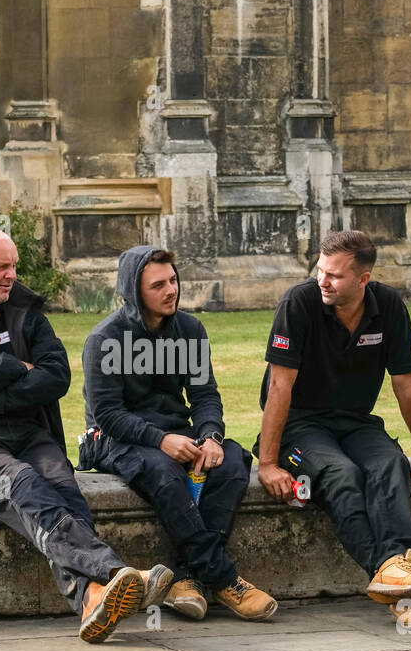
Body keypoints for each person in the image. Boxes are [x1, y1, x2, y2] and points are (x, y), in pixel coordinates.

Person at [0, 226, 174, 643]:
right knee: (23, 482)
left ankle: (91, 598)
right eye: (1, 267)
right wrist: (17, 368)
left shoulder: (24, 309)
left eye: (13, 266)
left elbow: (57, 376)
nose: (11, 275)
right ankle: (114, 571)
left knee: (64, 486)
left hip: (25, 427)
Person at [254, 230, 411, 629]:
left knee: (390, 463)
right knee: (341, 473)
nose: (323, 280)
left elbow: (406, 385)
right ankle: (401, 584)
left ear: (363, 279)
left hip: (355, 422)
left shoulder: (389, 306)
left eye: (335, 275)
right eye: (320, 270)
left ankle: (397, 576)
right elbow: (279, 386)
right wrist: (269, 463)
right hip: (300, 424)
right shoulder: (299, 302)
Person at [81, 245, 276, 621]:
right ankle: (224, 579)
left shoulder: (189, 329)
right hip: (113, 438)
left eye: (173, 281)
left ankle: (187, 578)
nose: (171, 290)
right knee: (165, 471)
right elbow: (107, 414)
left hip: (174, 430)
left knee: (233, 461)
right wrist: (160, 440)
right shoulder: (105, 339)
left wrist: (210, 437)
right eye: (158, 285)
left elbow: (204, 395)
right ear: (135, 292)